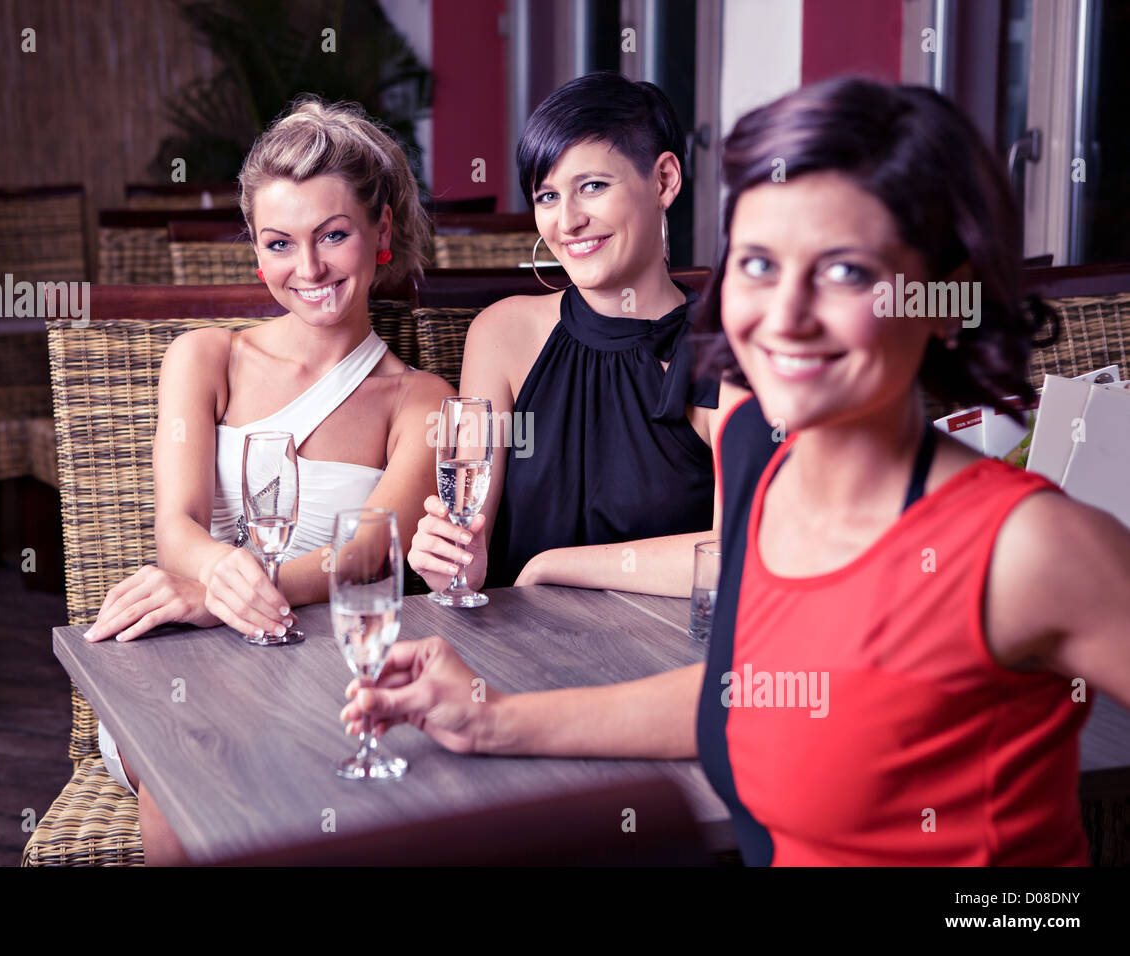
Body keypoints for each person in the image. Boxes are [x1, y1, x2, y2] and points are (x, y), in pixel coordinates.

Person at [343, 77, 1130, 865]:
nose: (783, 315)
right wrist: (493, 718)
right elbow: (752, 693)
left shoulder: (1031, 545)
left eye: (846, 271)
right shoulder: (758, 452)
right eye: (757, 263)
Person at [83, 98, 452, 863]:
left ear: (382, 232)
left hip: (331, 668)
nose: (308, 270)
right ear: (256, 249)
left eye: (334, 235)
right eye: (280, 243)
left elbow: (370, 559)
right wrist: (217, 580)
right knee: (186, 757)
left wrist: (214, 593)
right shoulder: (205, 357)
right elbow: (176, 527)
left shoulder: (422, 401)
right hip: (188, 667)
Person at [407, 71, 749, 594]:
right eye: (547, 196)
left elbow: (739, 556)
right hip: (512, 657)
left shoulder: (729, 350)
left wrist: (551, 566)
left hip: (666, 663)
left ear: (664, 181)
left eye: (592, 187)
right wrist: (455, 565)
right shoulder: (499, 334)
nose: (567, 222)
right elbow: (466, 548)